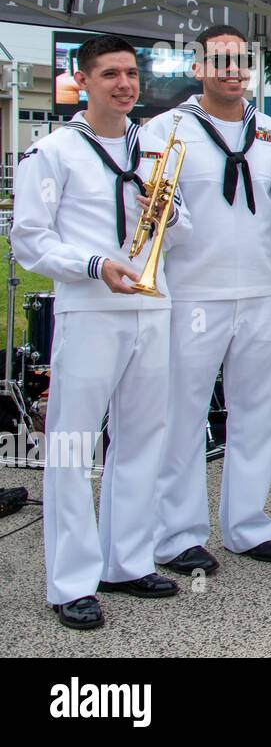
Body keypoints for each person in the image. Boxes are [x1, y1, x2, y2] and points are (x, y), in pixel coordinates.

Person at [12, 33, 192, 630]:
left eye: (131, 74)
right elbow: (29, 242)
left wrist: (163, 212)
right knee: (71, 445)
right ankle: (70, 581)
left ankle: (128, 560)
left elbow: (182, 228)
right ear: (83, 80)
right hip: (91, 310)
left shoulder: (154, 147)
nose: (124, 84)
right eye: (110, 73)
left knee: (143, 439)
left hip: (151, 305)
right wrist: (93, 265)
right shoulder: (54, 151)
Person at [148, 25, 271, 576]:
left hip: (261, 293)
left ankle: (247, 524)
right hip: (191, 294)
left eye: (240, 60)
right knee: (182, 416)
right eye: (219, 60)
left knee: (259, 415)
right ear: (197, 67)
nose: (231, 70)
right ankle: (178, 533)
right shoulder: (162, 131)